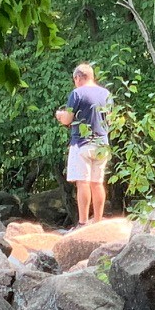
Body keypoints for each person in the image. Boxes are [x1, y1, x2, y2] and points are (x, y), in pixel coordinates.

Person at [55, 63, 114, 226]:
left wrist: (60, 115)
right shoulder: (106, 94)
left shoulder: (77, 94)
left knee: (83, 182)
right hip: (102, 143)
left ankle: (82, 222)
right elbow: (110, 119)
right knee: (98, 182)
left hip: (82, 143)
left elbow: (67, 119)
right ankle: (98, 220)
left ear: (78, 77)